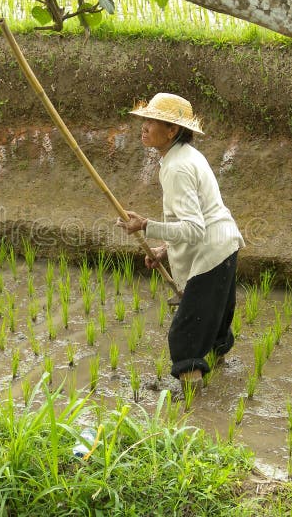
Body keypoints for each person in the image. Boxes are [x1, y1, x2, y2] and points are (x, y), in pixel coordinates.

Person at [116, 92, 244, 392]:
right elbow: (196, 219)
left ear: (172, 130)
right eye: (145, 120)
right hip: (224, 245)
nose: (144, 126)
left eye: (152, 121)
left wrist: (146, 226)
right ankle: (223, 383)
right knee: (212, 325)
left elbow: (194, 227)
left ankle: (194, 403)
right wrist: (166, 249)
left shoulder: (177, 167)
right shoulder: (184, 156)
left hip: (211, 251)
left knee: (186, 335)